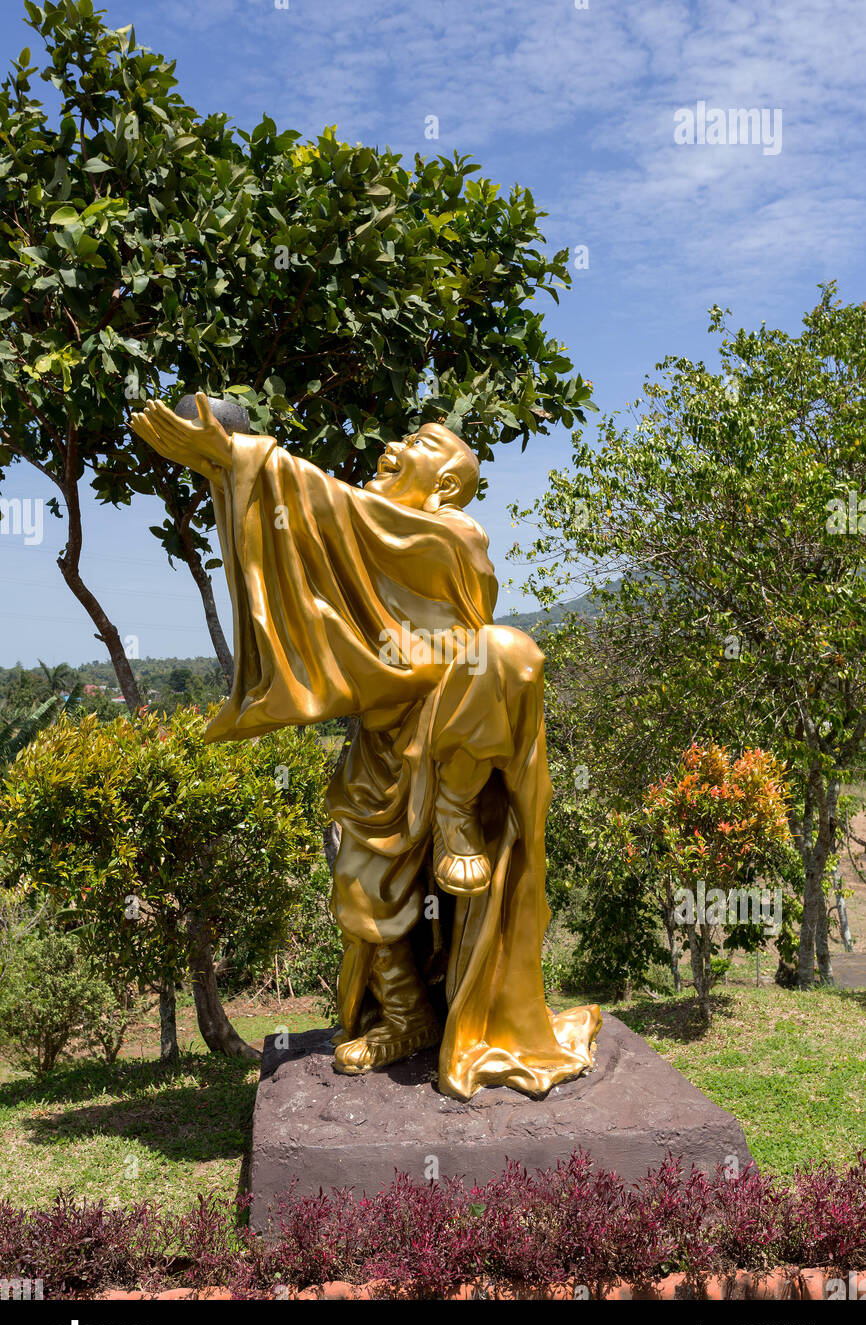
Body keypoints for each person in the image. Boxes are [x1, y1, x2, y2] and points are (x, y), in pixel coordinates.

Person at [131, 394, 601, 1098]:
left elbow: (348, 515)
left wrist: (245, 455)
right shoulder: (369, 542)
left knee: (506, 651)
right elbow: (322, 538)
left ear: (445, 484)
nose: (393, 447)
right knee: (359, 882)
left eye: (417, 443)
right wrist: (232, 467)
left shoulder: (453, 535)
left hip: (453, 733)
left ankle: (454, 811)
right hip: (383, 748)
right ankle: (407, 1017)